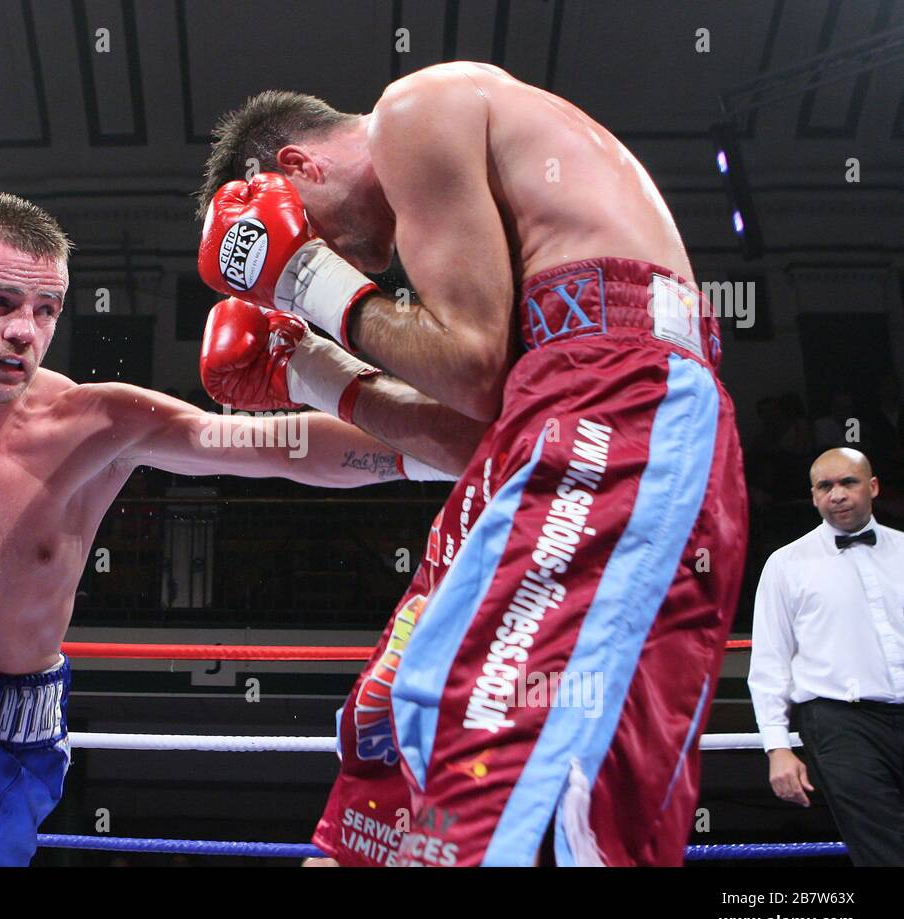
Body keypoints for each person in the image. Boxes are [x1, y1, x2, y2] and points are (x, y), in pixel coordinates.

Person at [0, 193, 481, 867]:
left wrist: (463, 452)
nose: (25, 332)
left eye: (45, 310)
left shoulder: (96, 423)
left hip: (24, 721)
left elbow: (273, 449)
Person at [196, 60, 748, 866]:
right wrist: (308, 374)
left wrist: (303, 277)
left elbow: (473, 368)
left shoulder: (416, 108)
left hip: (619, 399)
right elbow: (473, 436)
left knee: (504, 754)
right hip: (554, 418)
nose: (336, 262)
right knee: (390, 735)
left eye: (306, 237)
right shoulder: (479, 230)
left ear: (295, 168)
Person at [749, 447, 904, 865]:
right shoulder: (786, 565)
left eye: (848, 482)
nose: (837, 494)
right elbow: (769, 661)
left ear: (872, 487)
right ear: (814, 496)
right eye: (825, 486)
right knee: (884, 848)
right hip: (841, 721)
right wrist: (777, 746)